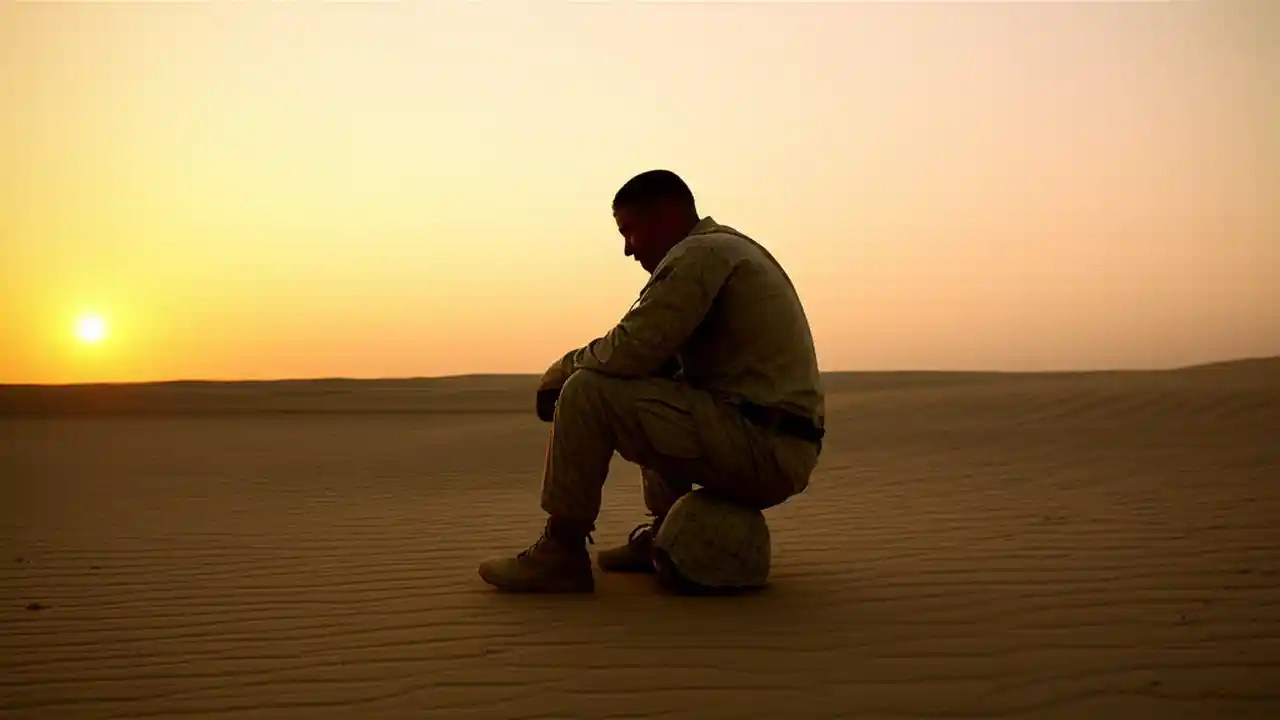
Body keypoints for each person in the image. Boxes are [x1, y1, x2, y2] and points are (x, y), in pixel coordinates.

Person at [478, 169, 825, 593]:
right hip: (770, 441)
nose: (627, 250)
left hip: (762, 445)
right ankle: (666, 533)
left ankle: (562, 549)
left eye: (630, 232)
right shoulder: (726, 249)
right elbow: (650, 358)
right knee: (650, 381)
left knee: (588, 390)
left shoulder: (700, 254)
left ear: (663, 218)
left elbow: (631, 347)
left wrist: (563, 369)